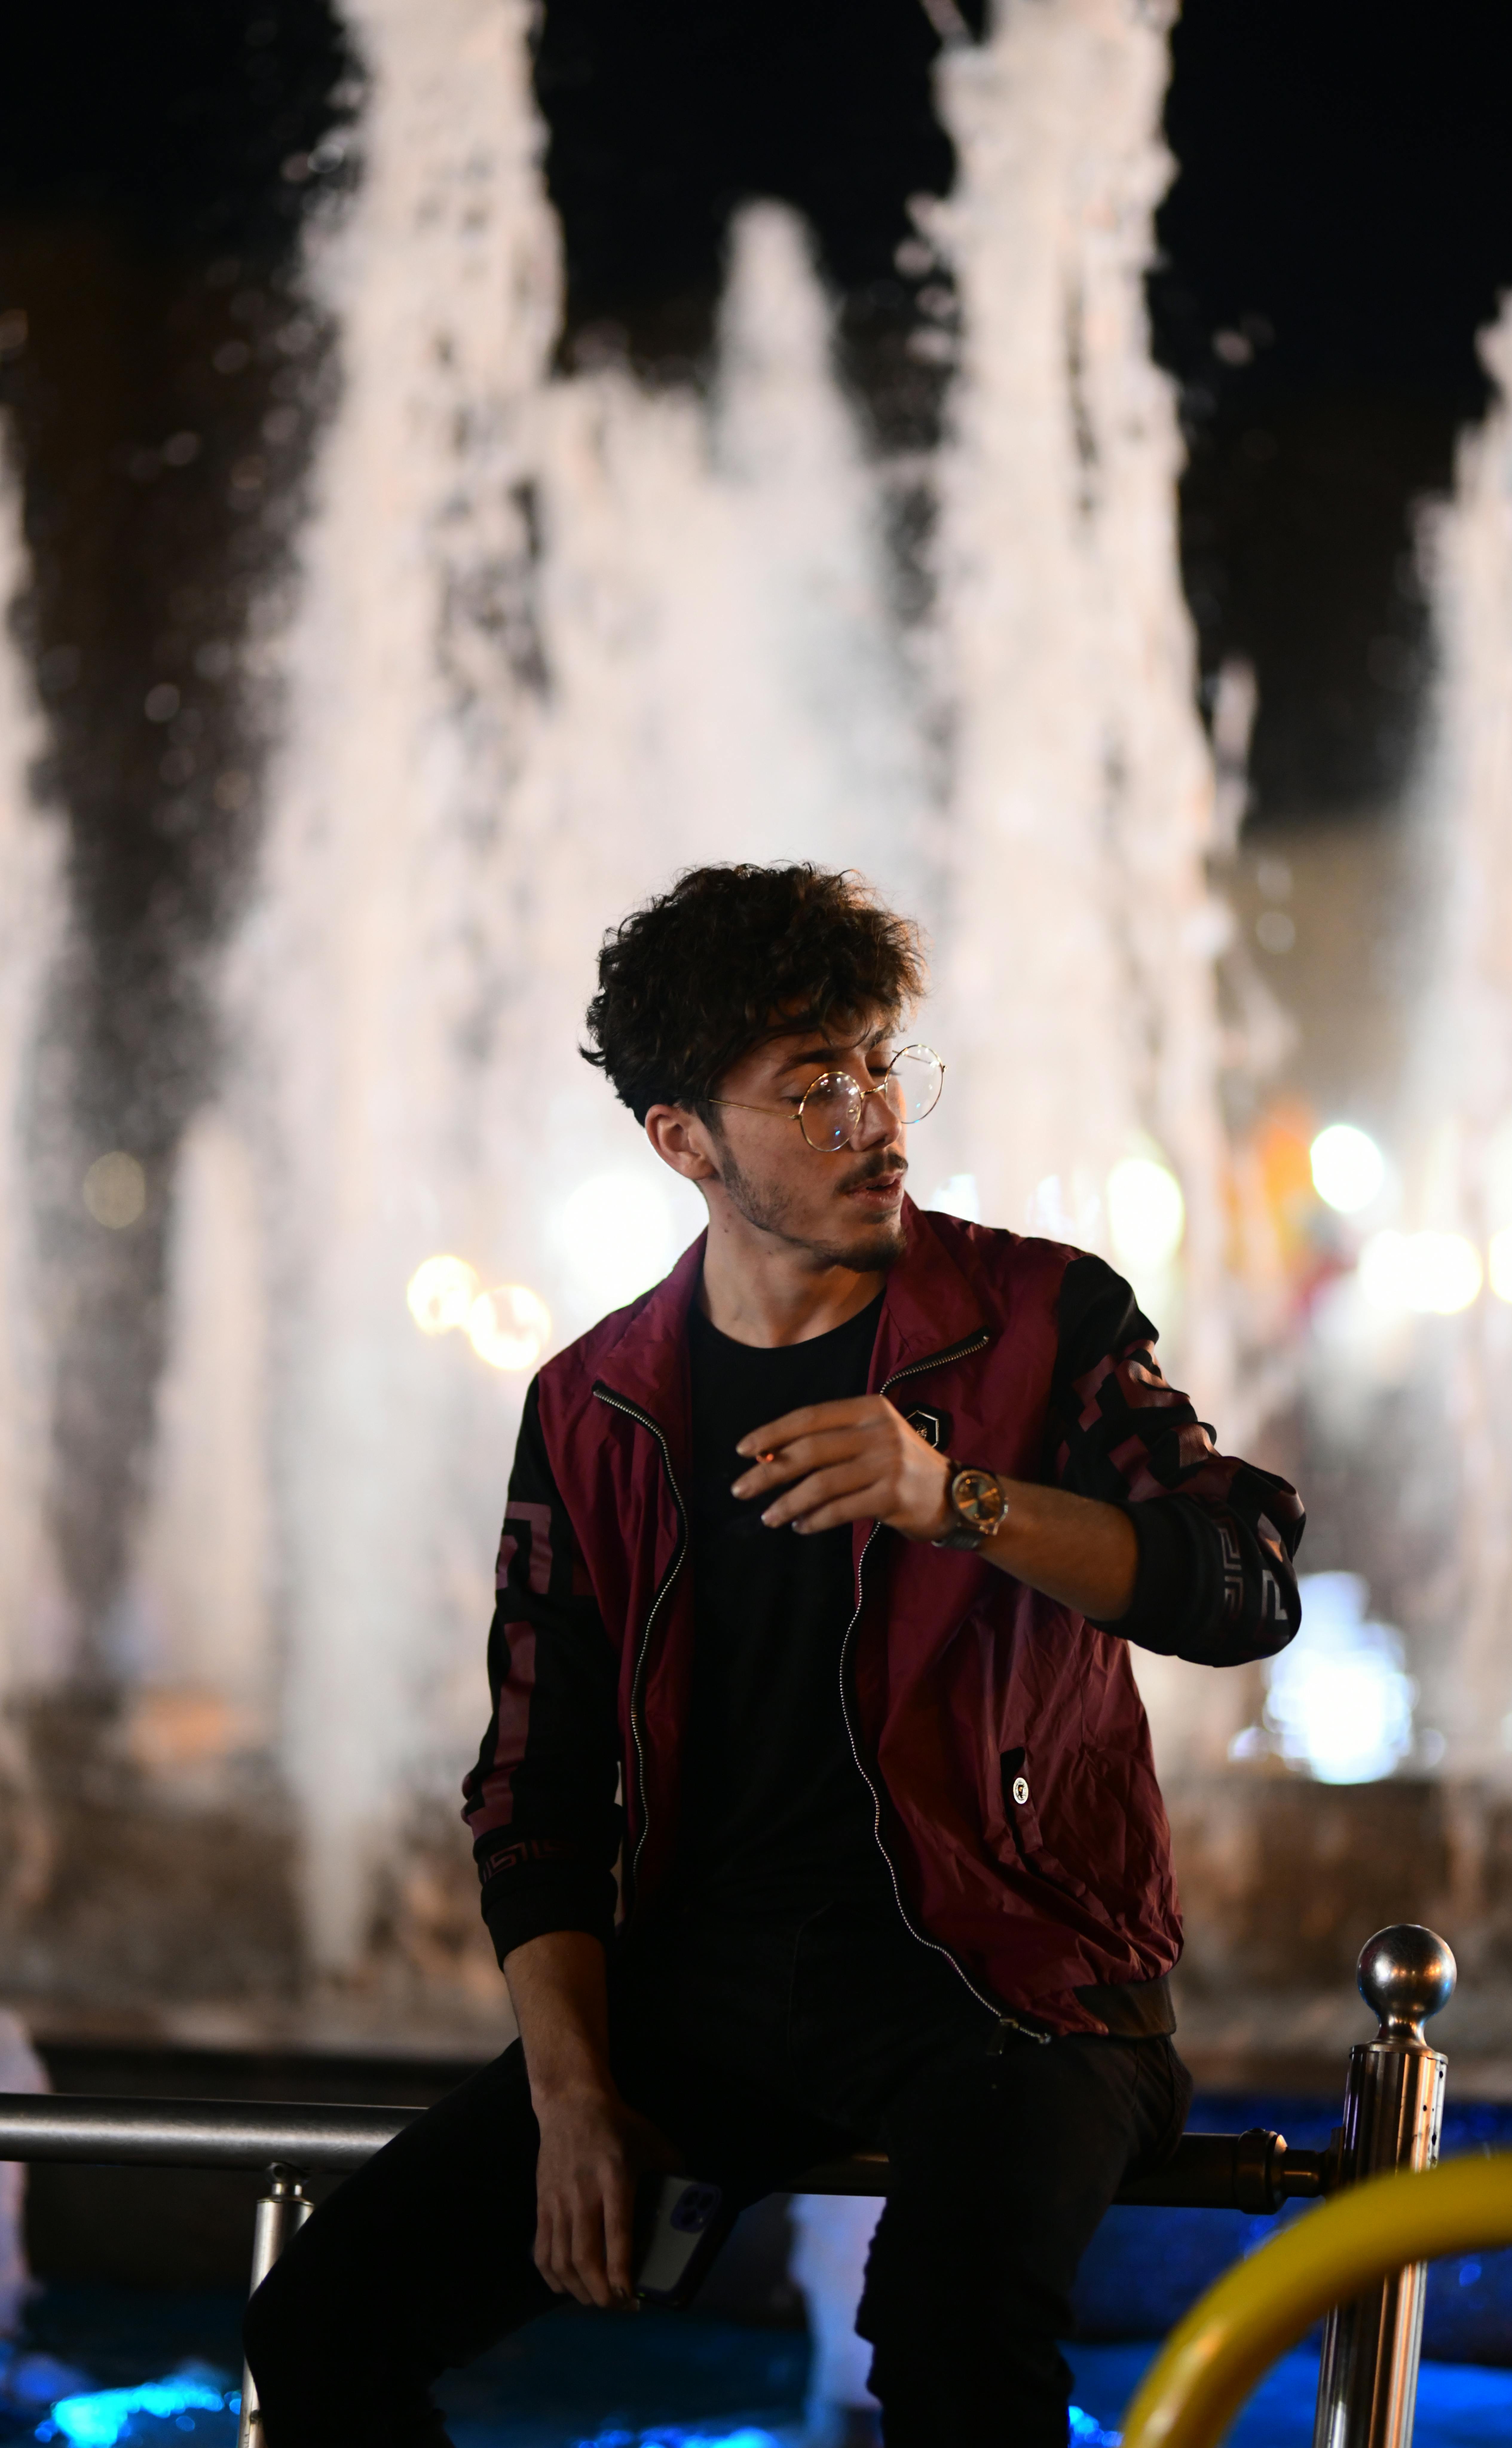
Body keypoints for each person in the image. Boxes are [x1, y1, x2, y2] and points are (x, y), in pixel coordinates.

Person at [244, 863, 1303, 2448]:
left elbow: (1248, 1585)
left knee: (948, 2336)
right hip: (713, 1994)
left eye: (882, 1066)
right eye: (812, 1090)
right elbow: (536, 1785)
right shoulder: (594, 1403)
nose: (873, 1118)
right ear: (682, 1140)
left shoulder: (1039, 1314)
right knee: (320, 2322)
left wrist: (959, 1500)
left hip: (1012, 1977)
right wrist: (572, 2092)